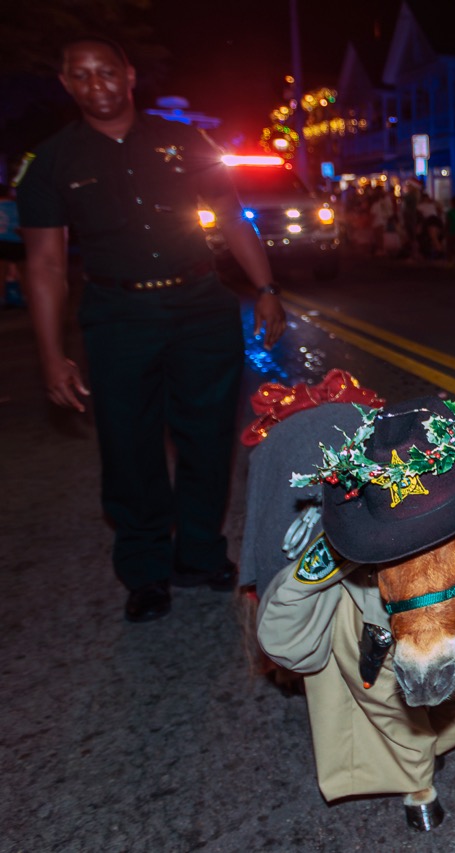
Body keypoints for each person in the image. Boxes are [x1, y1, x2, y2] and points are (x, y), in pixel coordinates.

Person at [16, 36, 285, 623]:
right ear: (66, 83)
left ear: (129, 74)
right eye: (81, 76)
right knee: (129, 446)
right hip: (118, 316)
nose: (97, 85)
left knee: (207, 437)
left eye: (106, 72)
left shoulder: (182, 140)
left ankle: (198, 555)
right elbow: (45, 265)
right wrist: (50, 354)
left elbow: (234, 215)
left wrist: (265, 289)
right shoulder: (52, 162)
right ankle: (145, 571)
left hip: (200, 308)